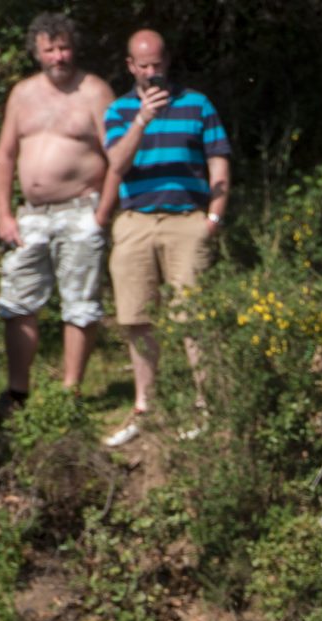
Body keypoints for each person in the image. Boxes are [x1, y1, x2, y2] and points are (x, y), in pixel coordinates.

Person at [102, 29, 233, 446]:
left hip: (187, 221)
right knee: (136, 317)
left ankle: (208, 406)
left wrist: (213, 217)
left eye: (158, 64)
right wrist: (143, 119)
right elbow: (116, 164)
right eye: (144, 66)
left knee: (194, 317)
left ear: (167, 61)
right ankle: (146, 406)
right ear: (130, 67)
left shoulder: (197, 104)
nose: (152, 73)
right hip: (136, 220)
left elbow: (219, 162)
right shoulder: (119, 110)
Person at [0, 13, 115, 413]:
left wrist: (103, 213)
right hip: (30, 215)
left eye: (64, 47)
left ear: (74, 48)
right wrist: (3, 213)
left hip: (81, 210)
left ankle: (69, 393)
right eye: (50, 49)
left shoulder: (95, 92)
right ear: (37, 53)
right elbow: (4, 155)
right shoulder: (22, 94)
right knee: (18, 300)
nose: (59, 56)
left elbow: (119, 157)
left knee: (79, 304)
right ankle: (17, 393)